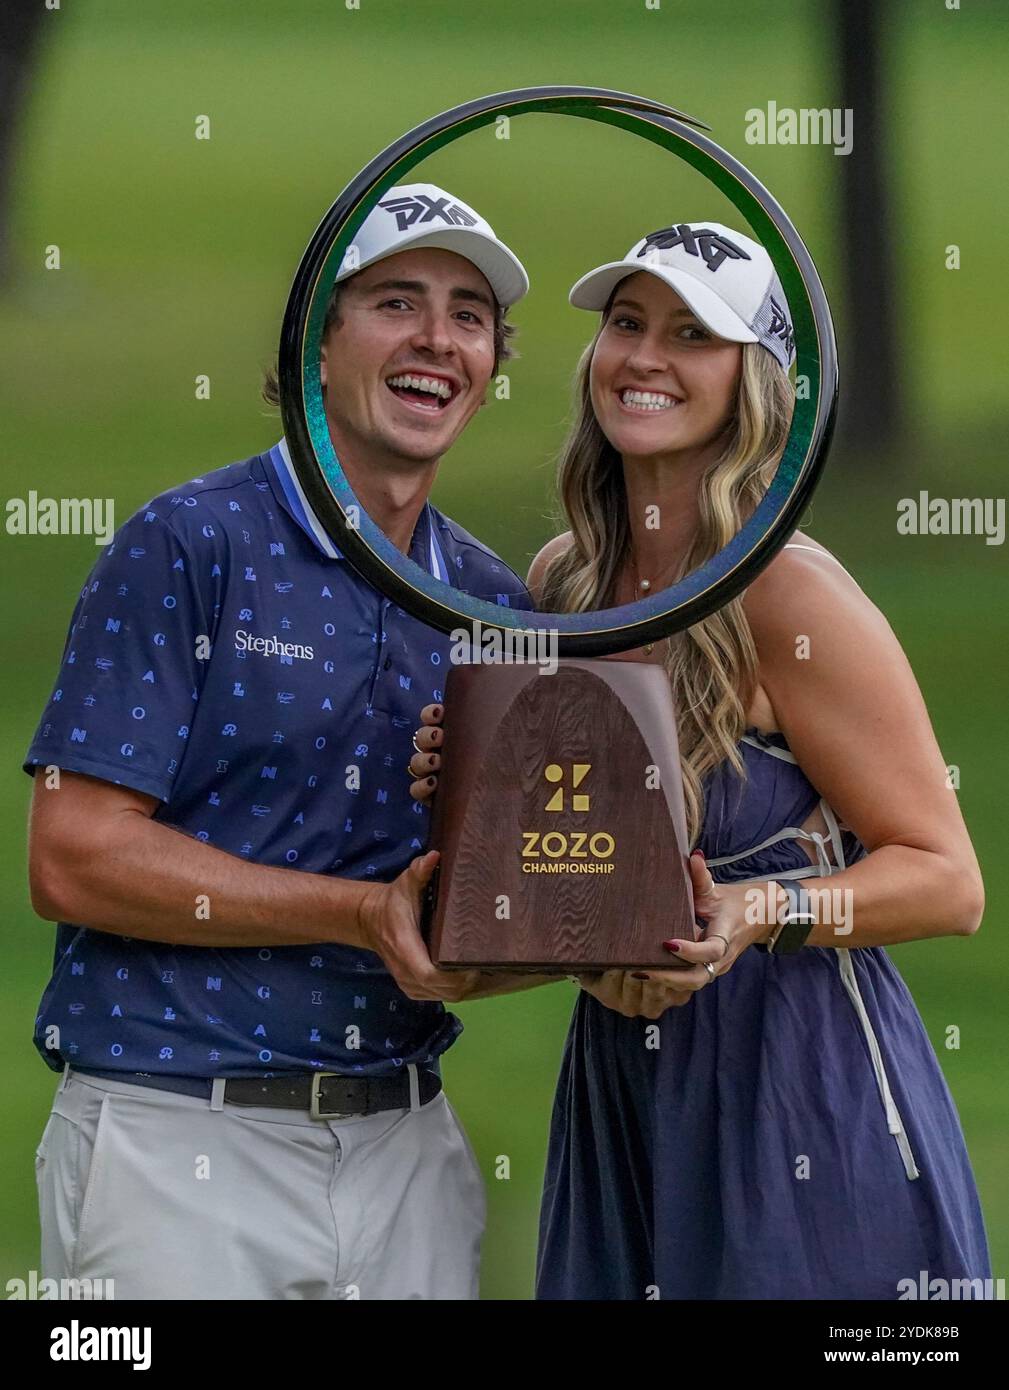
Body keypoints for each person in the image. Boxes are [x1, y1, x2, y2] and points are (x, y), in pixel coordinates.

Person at [410, 221, 992, 1300]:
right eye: (626, 323)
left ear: (753, 380)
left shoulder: (790, 592)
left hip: (799, 1079)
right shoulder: (567, 583)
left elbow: (948, 880)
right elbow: (576, 869)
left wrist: (754, 914)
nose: (642, 357)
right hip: (626, 1081)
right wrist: (471, 798)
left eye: (691, 334)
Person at [24, 182, 548, 1301]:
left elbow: (487, 909)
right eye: (396, 302)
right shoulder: (187, 544)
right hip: (170, 1154)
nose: (435, 339)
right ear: (314, 346)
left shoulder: (495, 606)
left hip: (408, 1154)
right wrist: (357, 914)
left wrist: (645, 926)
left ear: (493, 365)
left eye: (468, 314)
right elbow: (72, 856)